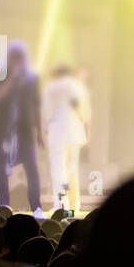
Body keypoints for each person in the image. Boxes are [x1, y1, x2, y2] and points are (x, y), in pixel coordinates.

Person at [0, 41, 44, 213]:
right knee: (2, 169)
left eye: (21, 58)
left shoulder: (32, 77)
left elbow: (36, 105)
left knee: (32, 169)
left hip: (25, 130)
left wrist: (40, 131)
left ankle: (36, 206)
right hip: (3, 130)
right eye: (14, 58)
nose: (18, 61)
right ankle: (4, 207)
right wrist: (11, 78)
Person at [42, 63, 91, 213]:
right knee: (72, 170)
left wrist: (44, 128)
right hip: (75, 131)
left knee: (59, 170)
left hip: (58, 133)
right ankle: (74, 205)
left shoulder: (51, 88)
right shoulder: (78, 87)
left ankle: (60, 205)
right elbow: (84, 111)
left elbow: (46, 111)